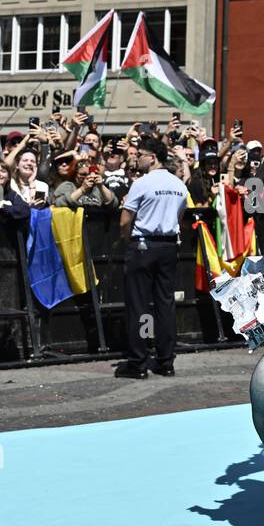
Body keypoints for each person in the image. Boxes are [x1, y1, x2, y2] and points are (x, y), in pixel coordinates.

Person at [114, 138, 187, 380]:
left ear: (152, 158)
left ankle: (139, 361)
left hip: (143, 246)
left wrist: (129, 240)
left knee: (140, 307)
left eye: (142, 154)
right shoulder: (178, 184)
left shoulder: (142, 183)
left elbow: (125, 220)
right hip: (168, 248)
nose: (137, 158)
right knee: (165, 305)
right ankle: (166, 361)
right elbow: (181, 214)